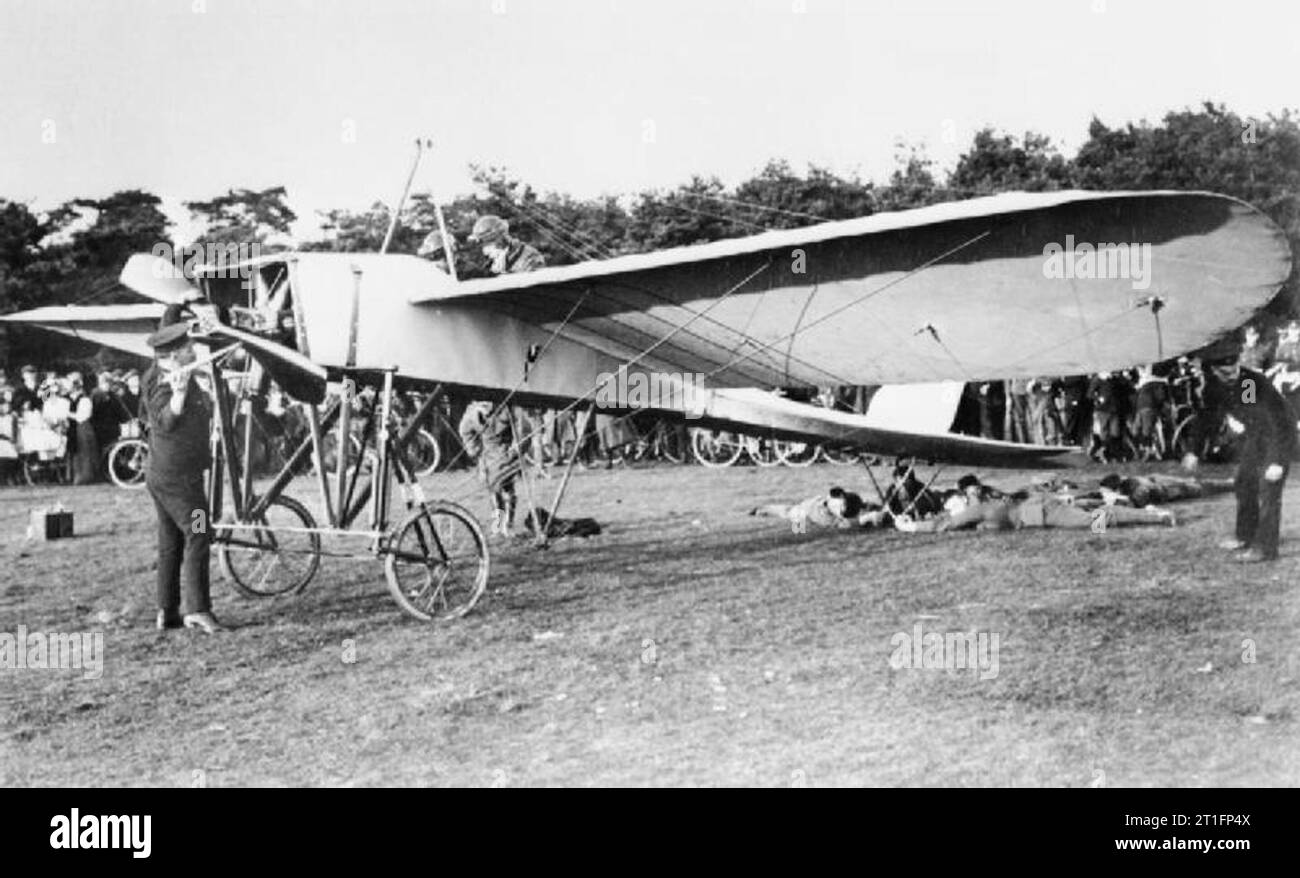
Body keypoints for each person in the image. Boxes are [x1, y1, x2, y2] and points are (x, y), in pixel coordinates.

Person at [142, 322, 225, 632]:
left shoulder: (153, 372)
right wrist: (178, 395)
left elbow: (167, 324)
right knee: (199, 532)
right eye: (189, 348)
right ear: (175, 355)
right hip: (181, 481)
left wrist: (179, 304)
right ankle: (198, 610)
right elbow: (164, 421)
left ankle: (167, 611)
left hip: (162, 476)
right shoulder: (166, 383)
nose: (194, 351)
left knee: (171, 541)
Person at [1183, 340, 1297, 562]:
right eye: (1226, 373)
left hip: (1279, 434)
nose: (1233, 375)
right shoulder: (1212, 387)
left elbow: (1270, 422)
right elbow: (1206, 419)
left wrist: (1276, 460)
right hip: (1256, 436)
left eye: (1235, 368)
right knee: (1244, 483)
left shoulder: (1247, 383)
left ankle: (1265, 548)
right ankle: (1245, 536)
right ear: (1213, 371)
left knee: (1269, 490)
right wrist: (1194, 451)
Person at [458, 400, 521, 537]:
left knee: (508, 490)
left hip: (506, 452)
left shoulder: (506, 408)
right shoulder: (472, 413)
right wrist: (474, 449)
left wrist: (515, 449)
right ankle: (498, 526)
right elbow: (465, 431)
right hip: (488, 455)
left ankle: (508, 524)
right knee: (494, 492)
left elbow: (521, 426)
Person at [469, 215, 546, 275]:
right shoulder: (494, 261)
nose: (484, 249)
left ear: (498, 240)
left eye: (485, 243)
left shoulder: (530, 257)